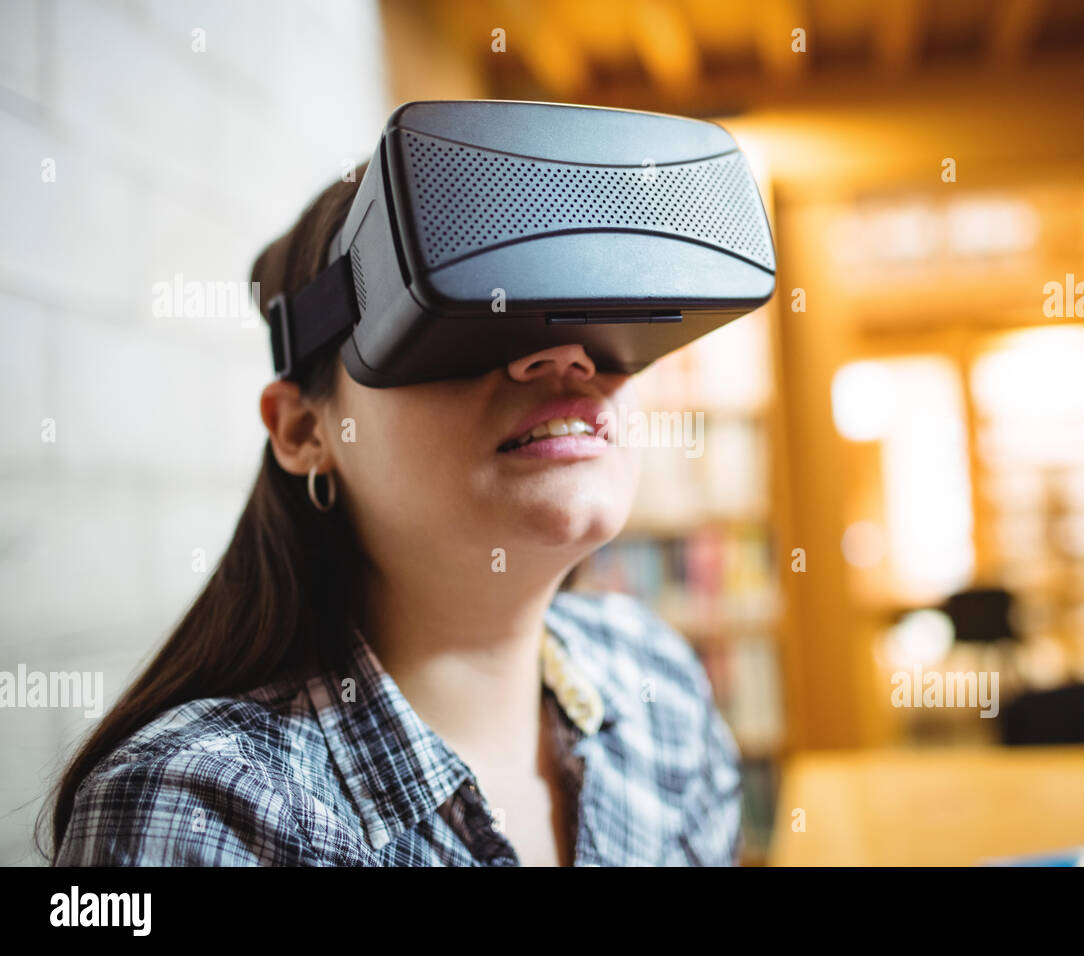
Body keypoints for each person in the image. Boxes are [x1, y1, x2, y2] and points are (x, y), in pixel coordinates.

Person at [43, 164, 742, 867]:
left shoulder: (659, 682)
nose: (563, 354)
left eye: (591, 311)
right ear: (302, 432)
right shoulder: (206, 809)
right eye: (459, 317)